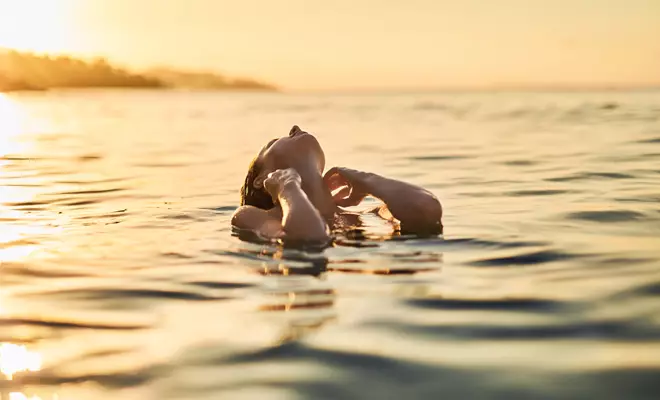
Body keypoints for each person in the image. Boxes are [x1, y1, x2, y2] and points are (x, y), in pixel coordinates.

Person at [232, 125, 443, 244]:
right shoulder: (251, 216)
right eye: (272, 143)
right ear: (263, 179)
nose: (295, 128)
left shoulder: (368, 215)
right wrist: (287, 187)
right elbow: (309, 238)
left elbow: (427, 210)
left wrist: (366, 180)